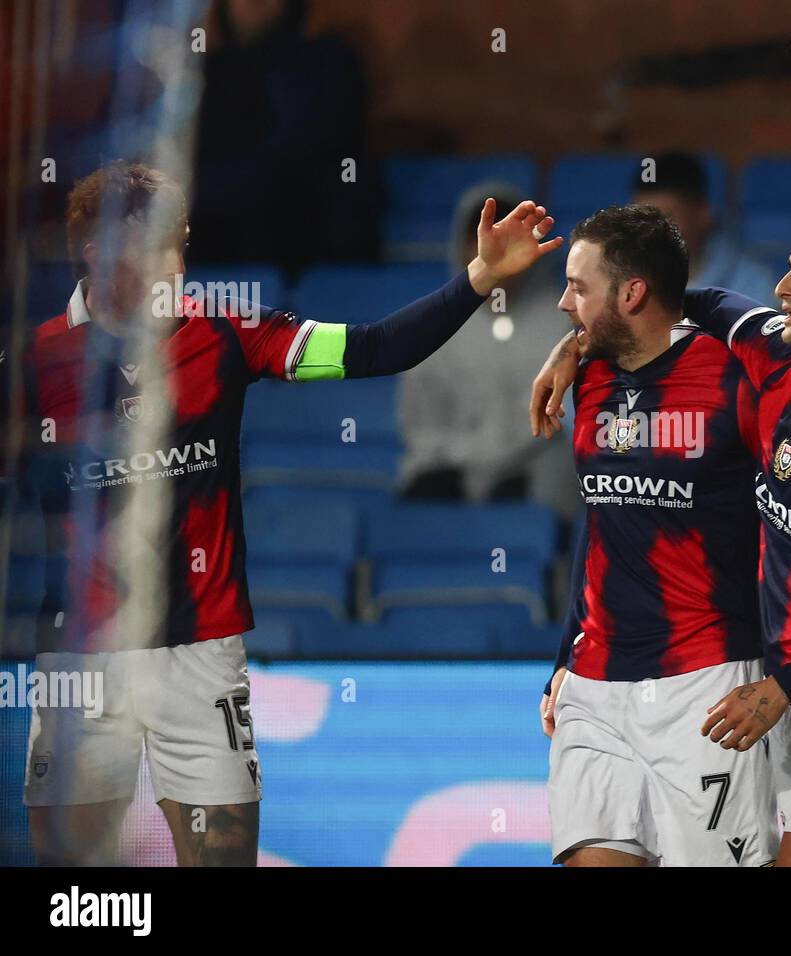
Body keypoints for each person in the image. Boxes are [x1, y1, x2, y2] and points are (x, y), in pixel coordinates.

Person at [11, 160, 559, 865]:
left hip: (201, 656)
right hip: (82, 661)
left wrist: (479, 278)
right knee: (75, 890)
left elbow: (374, 348)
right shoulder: (33, 362)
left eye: (181, 243)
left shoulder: (225, 330)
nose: (178, 266)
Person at [535, 209, 791, 866]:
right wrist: (579, 340)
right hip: (782, 679)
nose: (783, 288)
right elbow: (687, 297)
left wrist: (779, 690)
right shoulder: (769, 354)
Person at [535, 205, 776, 867]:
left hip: (709, 682)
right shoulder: (588, 374)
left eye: (578, 288)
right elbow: (601, 517)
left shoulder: (735, 374)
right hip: (595, 681)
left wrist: (787, 671)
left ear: (633, 293)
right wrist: (564, 653)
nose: (563, 304)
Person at [396, 182, 574, 517]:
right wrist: (468, 462)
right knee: (420, 505)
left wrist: (494, 462)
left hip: (532, 464)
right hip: (448, 466)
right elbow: (420, 424)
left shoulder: (564, 321)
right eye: (485, 240)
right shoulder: (434, 323)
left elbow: (556, 415)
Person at [189, 0, 376, 271]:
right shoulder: (204, 78)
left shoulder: (327, 63)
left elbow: (304, 151)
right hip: (219, 246)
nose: (254, 3)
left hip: (308, 239)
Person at [632, 152, 776, 305]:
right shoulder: (624, 281)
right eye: (642, 218)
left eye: (667, 217)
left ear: (702, 214)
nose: (652, 231)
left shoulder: (753, 287)